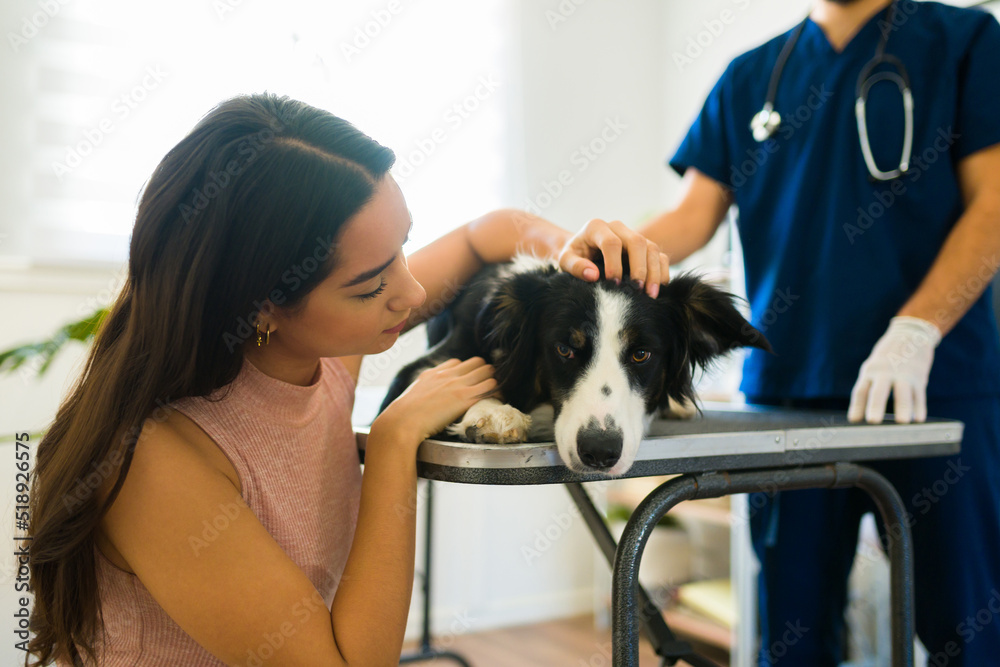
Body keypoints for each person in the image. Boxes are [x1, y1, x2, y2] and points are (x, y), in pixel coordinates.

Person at [26, 93, 668, 666]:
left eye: (403, 248)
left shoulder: (320, 357)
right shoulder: (158, 462)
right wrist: (394, 440)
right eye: (371, 285)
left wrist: (569, 251)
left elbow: (484, 236)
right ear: (260, 309)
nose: (414, 291)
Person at [589, 0, 1000, 664]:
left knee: (968, 632)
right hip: (789, 397)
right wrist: (608, 245)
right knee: (793, 636)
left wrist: (916, 329)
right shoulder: (753, 77)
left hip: (937, 387)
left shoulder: (966, 41)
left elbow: (995, 203)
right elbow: (691, 219)